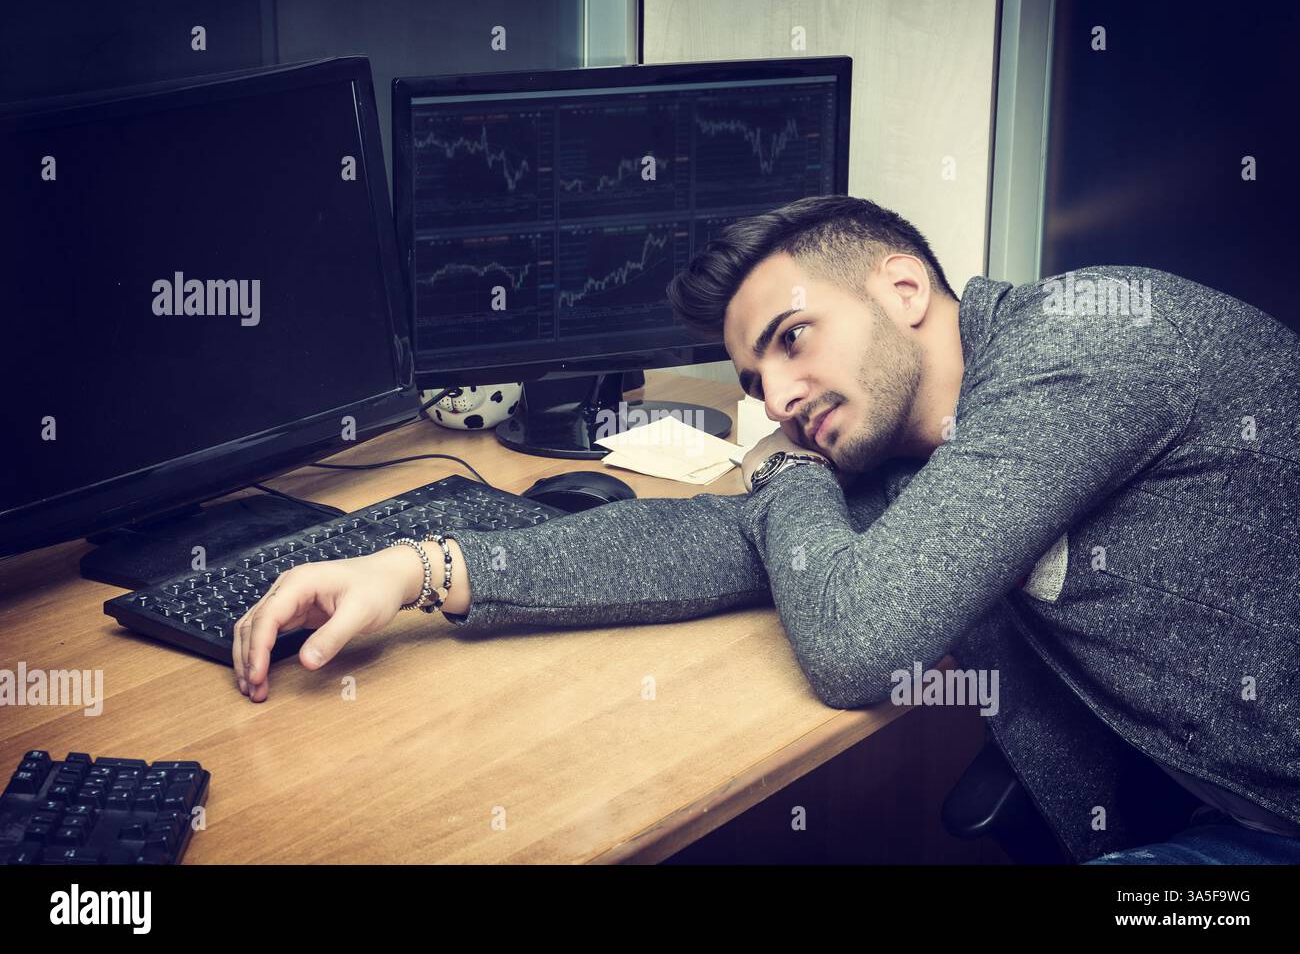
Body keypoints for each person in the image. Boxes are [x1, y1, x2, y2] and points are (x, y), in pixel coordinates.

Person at [231, 195, 1300, 864]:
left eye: (794, 340)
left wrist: (788, 474)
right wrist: (417, 566)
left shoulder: (1078, 346)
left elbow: (855, 642)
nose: (778, 394)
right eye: (754, 377)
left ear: (903, 285)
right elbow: (721, 537)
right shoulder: (916, 444)